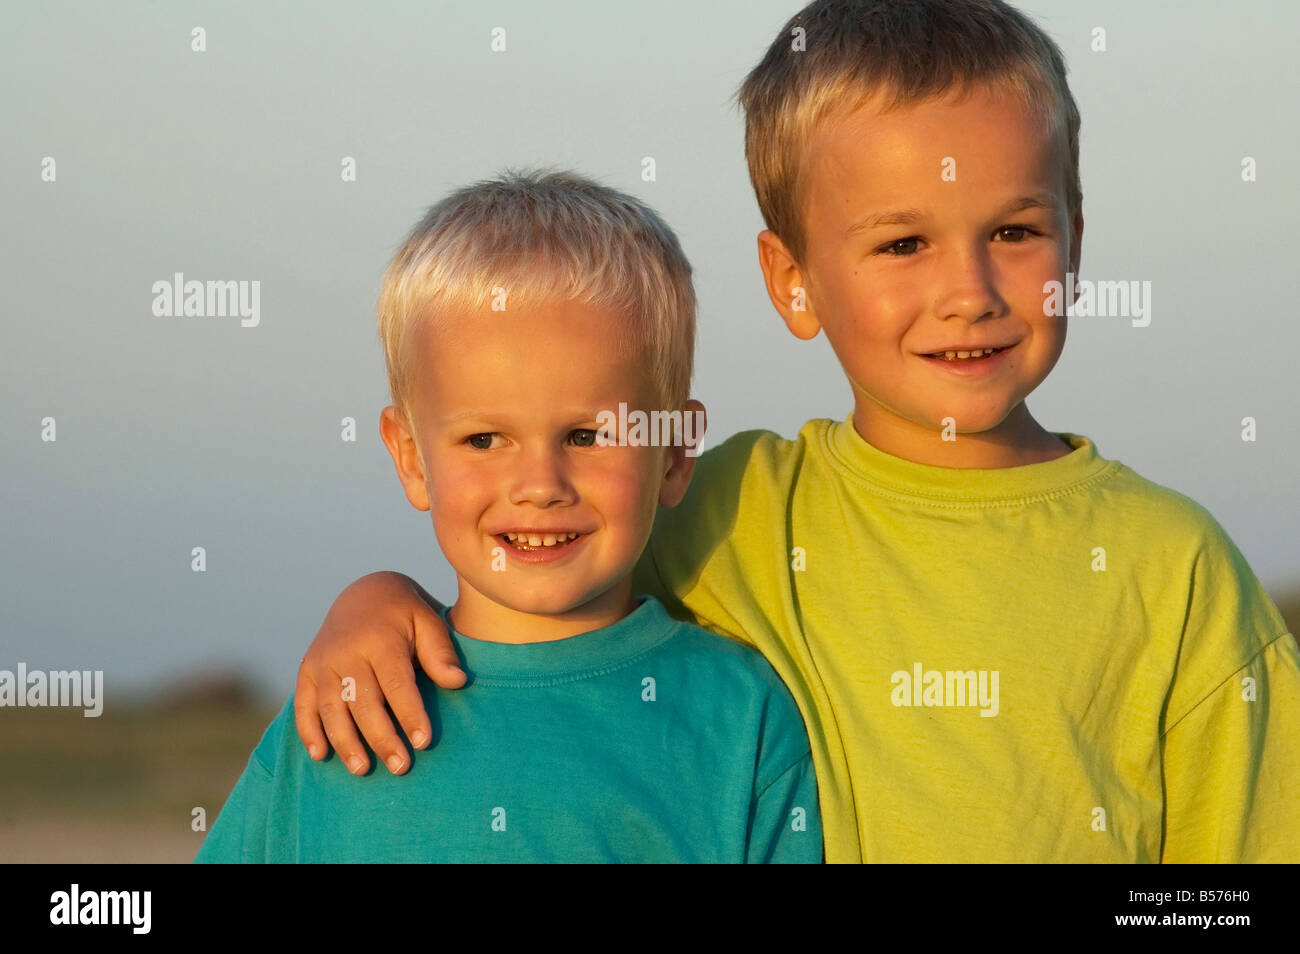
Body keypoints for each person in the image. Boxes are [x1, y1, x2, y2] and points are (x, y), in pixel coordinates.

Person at [289, 0, 1300, 862]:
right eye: (902, 242)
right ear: (793, 281)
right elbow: (531, 570)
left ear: (1076, 233)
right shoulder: (732, 507)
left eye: (1013, 232)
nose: (968, 291)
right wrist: (377, 601)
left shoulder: (1174, 570)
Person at [194, 170, 823, 863]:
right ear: (410, 457)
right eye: (485, 440)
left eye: (587, 436)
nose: (539, 485)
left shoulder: (739, 720)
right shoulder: (347, 708)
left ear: (675, 451)